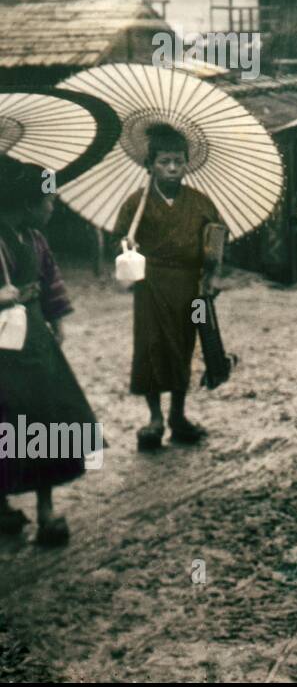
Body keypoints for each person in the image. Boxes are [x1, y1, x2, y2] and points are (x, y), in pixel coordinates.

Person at [0, 157, 101, 546]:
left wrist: (57, 318)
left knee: (44, 419)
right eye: (48, 200)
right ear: (27, 203)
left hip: (34, 341)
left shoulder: (37, 241)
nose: (53, 207)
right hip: (2, 352)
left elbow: (51, 280)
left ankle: (46, 509)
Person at [112, 124, 221, 451]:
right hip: (150, 285)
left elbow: (215, 242)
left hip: (189, 286)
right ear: (150, 165)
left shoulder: (200, 202)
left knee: (182, 346)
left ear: (187, 162)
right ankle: (155, 418)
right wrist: (127, 244)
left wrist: (212, 277)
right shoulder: (136, 205)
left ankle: (178, 415)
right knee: (151, 347)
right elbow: (118, 244)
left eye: (178, 161)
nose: (172, 168)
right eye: (164, 162)